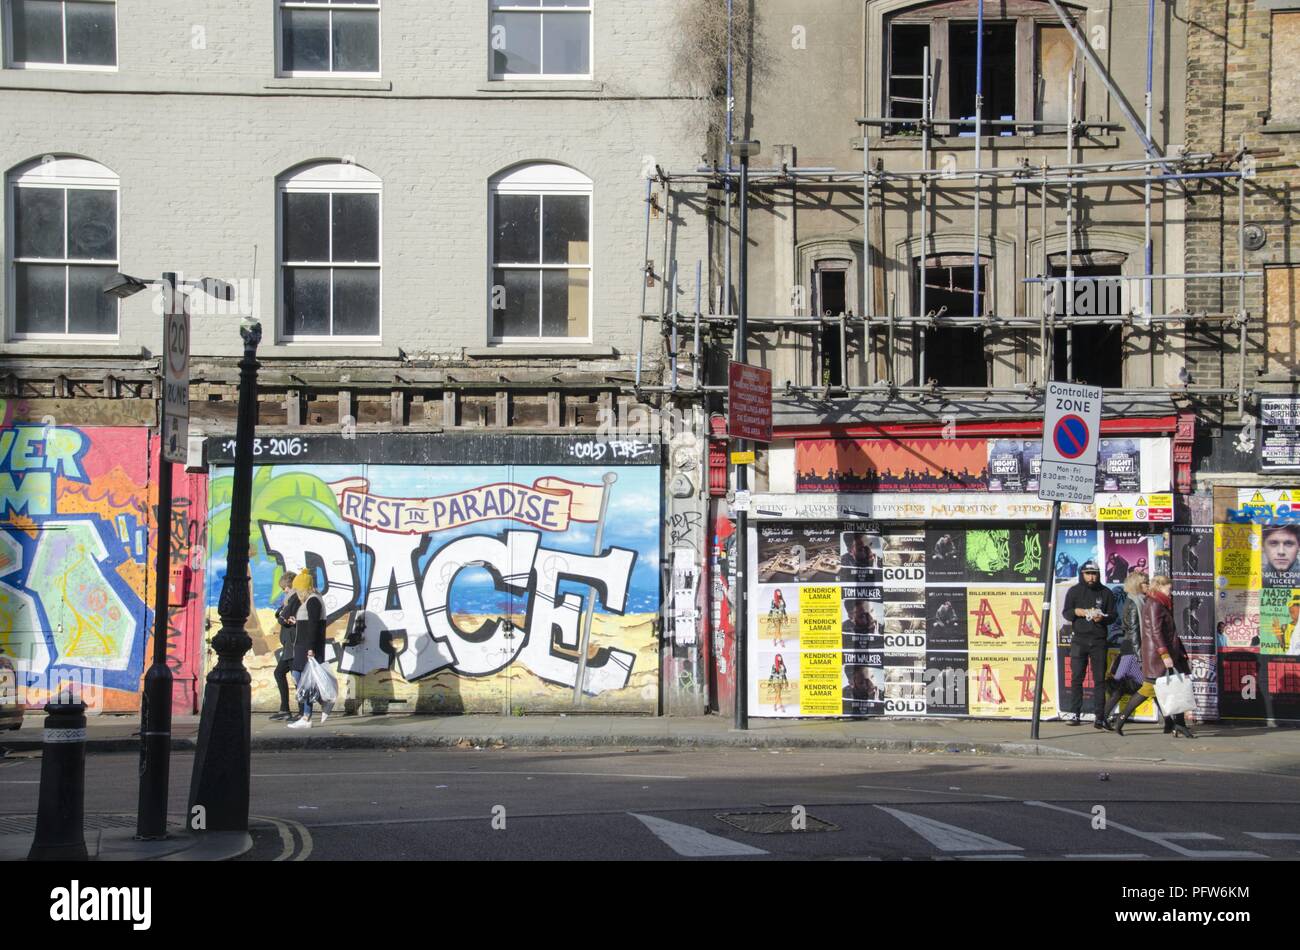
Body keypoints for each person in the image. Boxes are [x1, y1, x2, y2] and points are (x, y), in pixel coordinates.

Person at [1116, 574, 1194, 738]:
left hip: (1166, 653)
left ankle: (1178, 725)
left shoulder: (1160, 602)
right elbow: (1156, 631)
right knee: (1148, 689)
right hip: (1158, 656)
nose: (1170, 591)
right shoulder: (1154, 604)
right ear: (1159, 587)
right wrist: (1165, 654)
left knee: (1176, 685)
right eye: (1168, 588)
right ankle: (1121, 719)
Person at [1062, 560, 1117, 728]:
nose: (1091, 577)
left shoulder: (1106, 592)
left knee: (1099, 680)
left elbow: (1114, 616)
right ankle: (1074, 714)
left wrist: (1103, 618)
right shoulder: (1074, 591)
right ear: (1082, 574)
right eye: (1088, 573)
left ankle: (1099, 716)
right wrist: (1076, 612)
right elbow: (1066, 612)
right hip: (1079, 640)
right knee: (1077, 678)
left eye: (1094, 573)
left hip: (1099, 641)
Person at [1102, 571, 1149, 728]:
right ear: (1137, 585)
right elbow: (1134, 631)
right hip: (1132, 650)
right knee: (1145, 685)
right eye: (1145, 583)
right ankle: (1105, 718)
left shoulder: (1140, 601)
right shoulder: (1134, 603)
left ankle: (1103, 718)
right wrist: (1140, 656)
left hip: (1131, 649)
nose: (1148, 585)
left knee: (1122, 686)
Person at [287, 568, 328, 729]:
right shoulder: (311, 600)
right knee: (302, 679)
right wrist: (296, 621)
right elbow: (308, 623)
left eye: (297, 589)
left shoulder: (313, 601)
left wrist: (311, 648)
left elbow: (313, 625)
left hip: (306, 646)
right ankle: (319, 704)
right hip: (302, 645)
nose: (296, 593)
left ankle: (307, 716)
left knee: (303, 680)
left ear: (302, 588)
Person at [270, 572, 300, 722]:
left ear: (290, 586)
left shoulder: (295, 598)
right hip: (289, 645)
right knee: (280, 673)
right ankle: (285, 709)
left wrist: (283, 615)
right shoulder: (290, 599)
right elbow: (280, 614)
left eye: (285, 588)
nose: (284, 591)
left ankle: (302, 712)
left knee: (297, 678)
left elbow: (283, 618)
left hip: (292, 645)